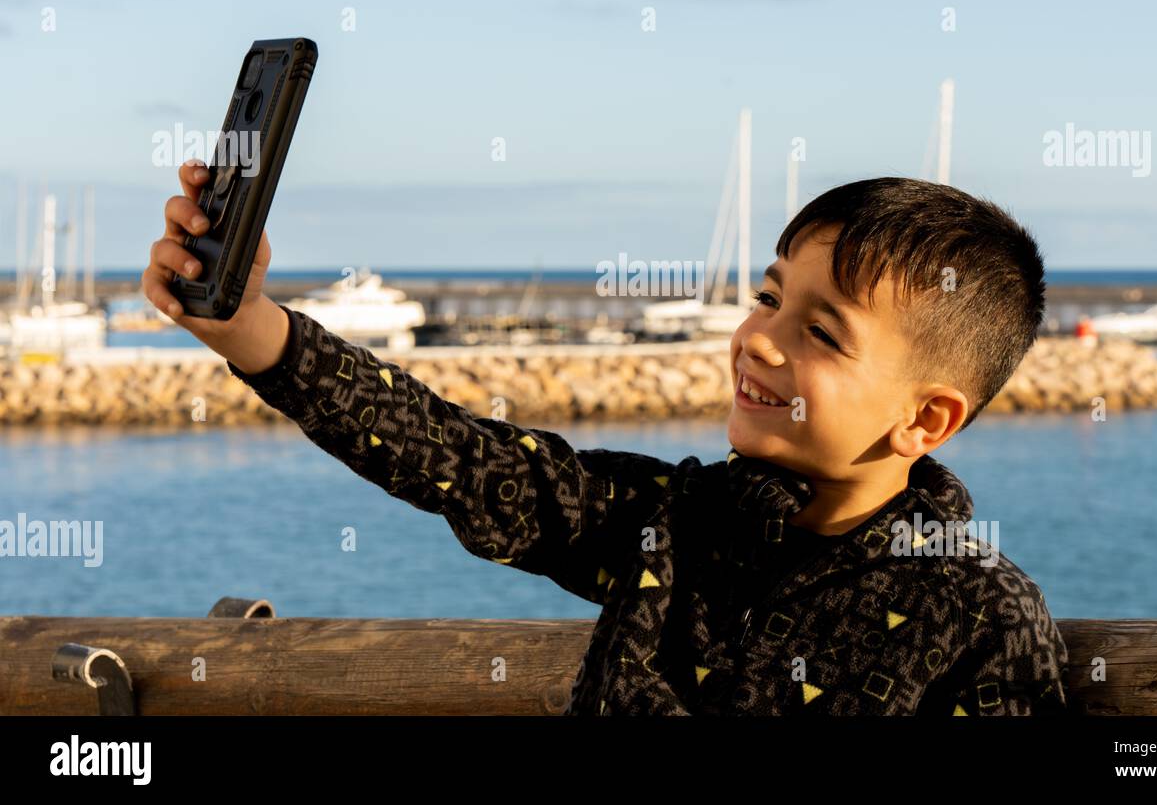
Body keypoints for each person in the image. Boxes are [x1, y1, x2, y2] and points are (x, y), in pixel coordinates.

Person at [142, 164, 1070, 715]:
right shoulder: (674, 524)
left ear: (928, 417)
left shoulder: (982, 616)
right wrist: (249, 327)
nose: (758, 338)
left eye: (821, 333)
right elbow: (460, 460)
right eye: (769, 296)